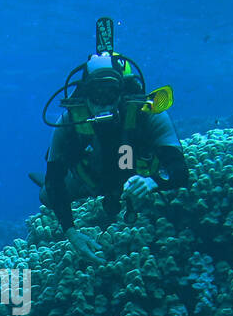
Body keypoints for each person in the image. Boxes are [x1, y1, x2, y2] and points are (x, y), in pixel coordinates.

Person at [34, 26, 188, 263]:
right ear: (84, 95)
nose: (104, 102)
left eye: (111, 93)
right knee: (47, 194)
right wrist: (71, 232)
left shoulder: (148, 112)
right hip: (91, 180)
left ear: (122, 93)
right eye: (97, 94)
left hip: (137, 174)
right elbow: (55, 182)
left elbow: (180, 171)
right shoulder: (68, 122)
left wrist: (152, 181)